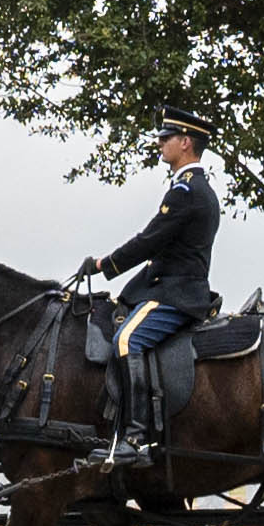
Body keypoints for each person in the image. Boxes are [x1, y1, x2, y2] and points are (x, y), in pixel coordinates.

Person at [80, 108, 219, 468]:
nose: (160, 143)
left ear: (185, 143)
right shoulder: (188, 188)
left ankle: (136, 438)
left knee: (128, 340)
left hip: (178, 293)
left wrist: (102, 264)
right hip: (167, 286)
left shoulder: (187, 191)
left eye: (166, 137)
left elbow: (149, 241)